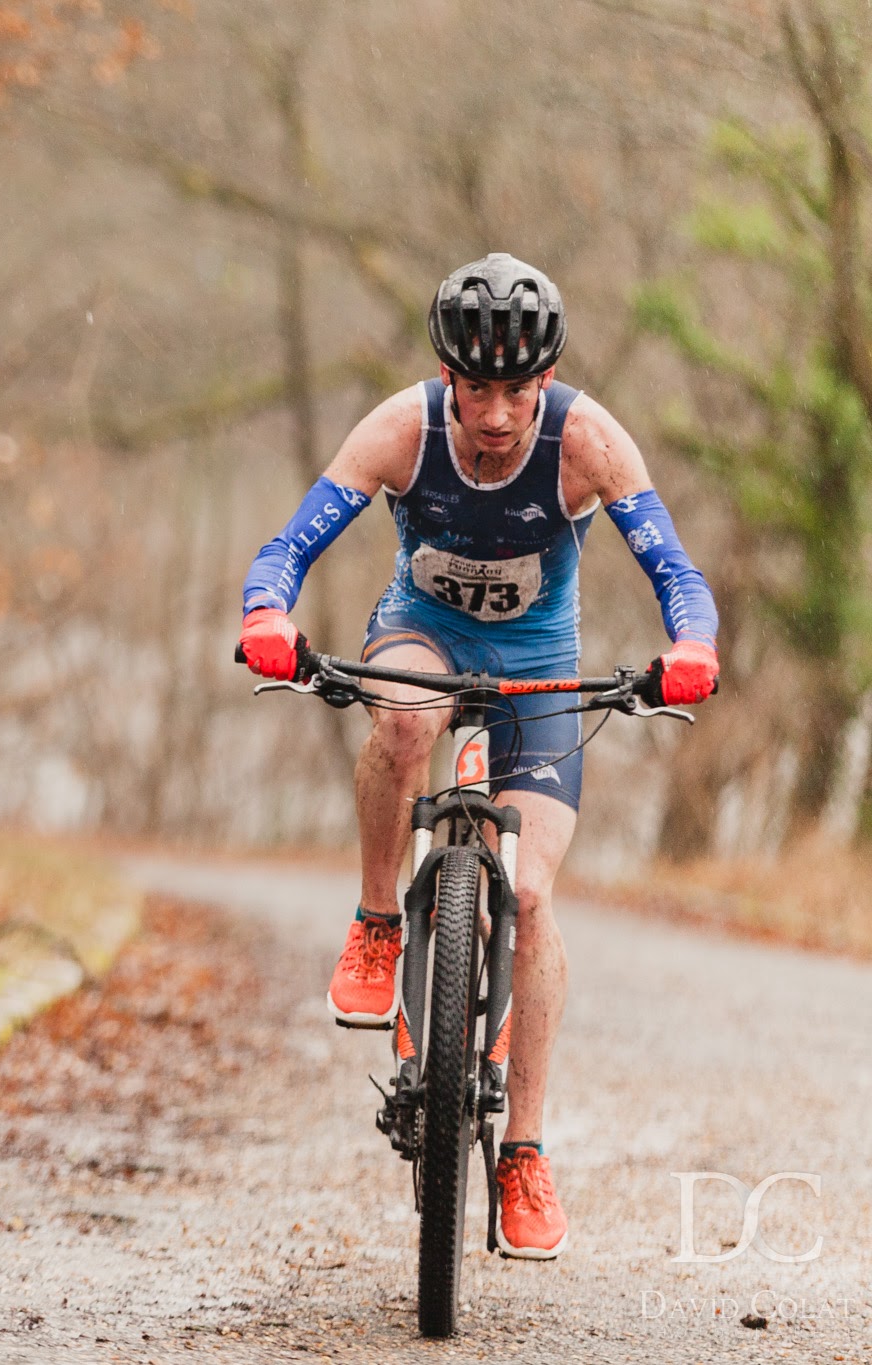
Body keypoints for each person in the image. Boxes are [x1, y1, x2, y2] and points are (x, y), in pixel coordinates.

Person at [236, 254, 718, 1259]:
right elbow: (285, 548)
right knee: (403, 720)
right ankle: (376, 921)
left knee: (530, 897)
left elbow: (673, 567)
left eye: (517, 388)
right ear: (446, 375)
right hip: (422, 637)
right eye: (475, 388)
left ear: (544, 380)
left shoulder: (585, 440)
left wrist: (689, 647)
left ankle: (523, 1154)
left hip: (538, 671)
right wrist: (266, 614)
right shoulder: (398, 432)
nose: (495, 413)